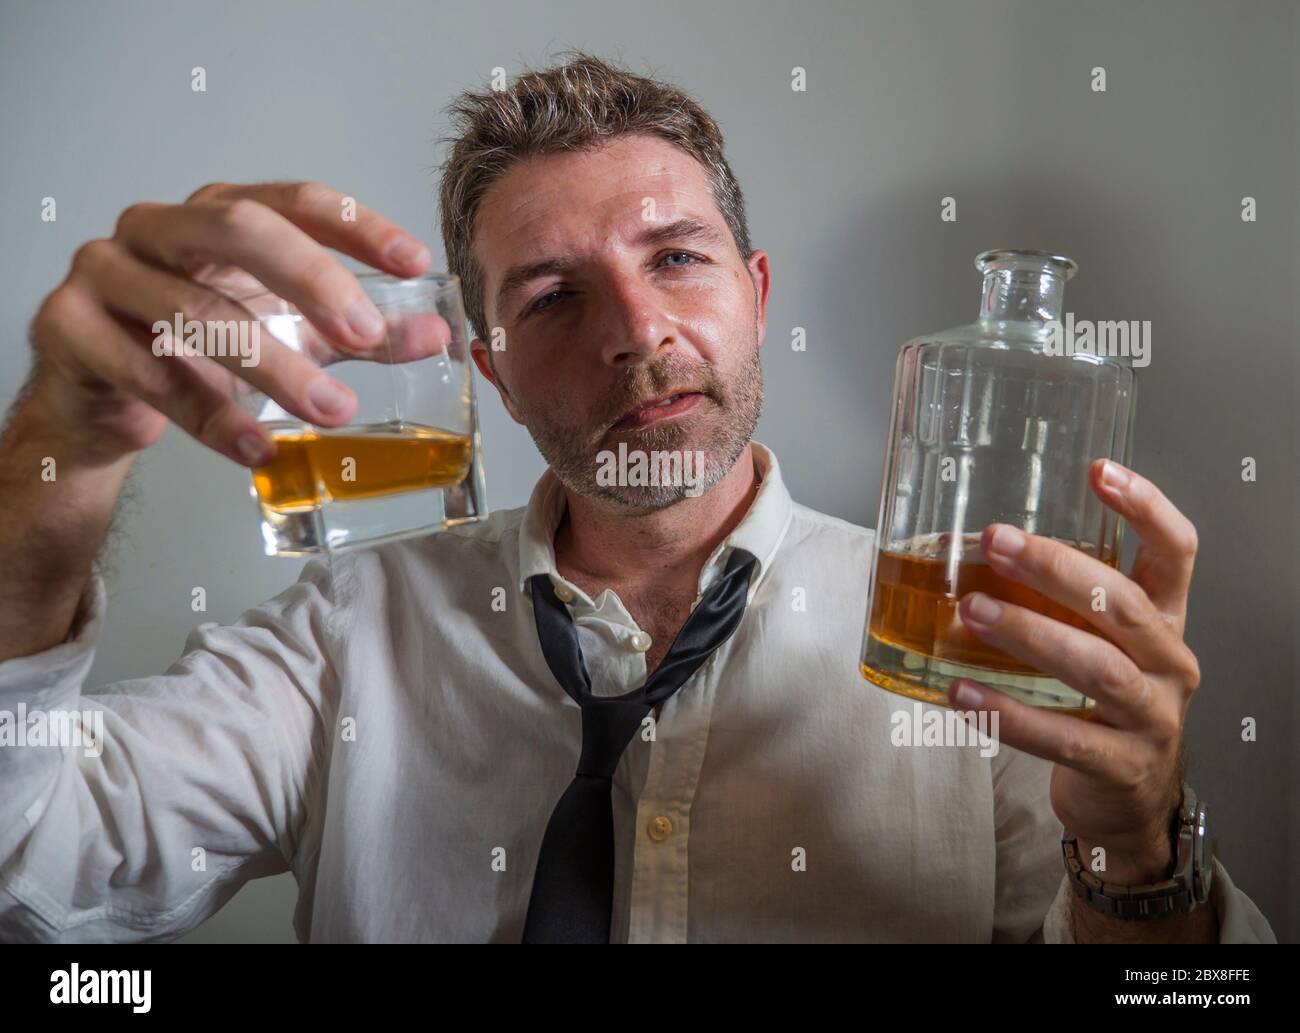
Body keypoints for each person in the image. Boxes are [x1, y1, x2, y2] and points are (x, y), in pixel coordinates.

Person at [0, 52, 1275, 943]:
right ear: (492, 374)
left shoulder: (970, 641)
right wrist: (63, 447)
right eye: (553, 296)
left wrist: (1136, 844)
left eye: (675, 257)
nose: (636, 332)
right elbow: (31, 858)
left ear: (756, 298)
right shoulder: (343, 637)